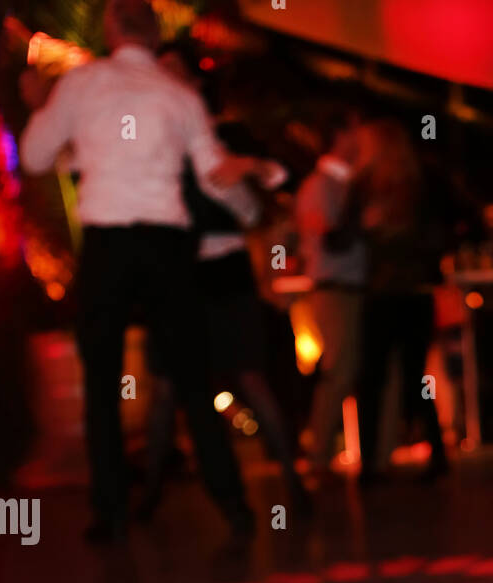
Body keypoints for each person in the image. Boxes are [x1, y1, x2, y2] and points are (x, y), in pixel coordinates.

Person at [19, 0, 256, 544]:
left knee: (101, 381)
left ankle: (111, 512)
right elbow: (214, 172)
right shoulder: (180, 95)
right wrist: (256, 195)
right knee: (193, 377)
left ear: (110, 28)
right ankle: (234, 505)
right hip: (168, 244)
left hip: (109, 244)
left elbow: (33, 157)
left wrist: (39, 106)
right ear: (152, 36)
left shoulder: (82, 85)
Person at [141, 39, 311, 518]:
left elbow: (283, 182)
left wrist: (252, 168)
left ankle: (292, 480)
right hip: (175, 272)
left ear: (196, 83)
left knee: (251, 379)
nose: (162, 78)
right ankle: (147, 494)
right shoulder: (148, 141)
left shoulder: (226, 133)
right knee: (167, 388)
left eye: (173, 69)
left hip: (226, 269)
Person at [355, 117, 449, 486]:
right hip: (398, 292)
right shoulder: (375, 185)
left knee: (391, 379)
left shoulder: (419, 184)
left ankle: (378, 465)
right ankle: (379, 462)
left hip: (396, 292)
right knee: (403, 378)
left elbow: (444, 231)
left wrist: (383, 232)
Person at [295, 109, 366, 478]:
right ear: (341, 134)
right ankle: (319, 455)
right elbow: (331, 241)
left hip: (350, 287)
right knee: (338, 371)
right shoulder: (320, 186)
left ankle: (345, 453)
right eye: (356, 129)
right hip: (334, 289)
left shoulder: (343, 183)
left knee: (347, 370)